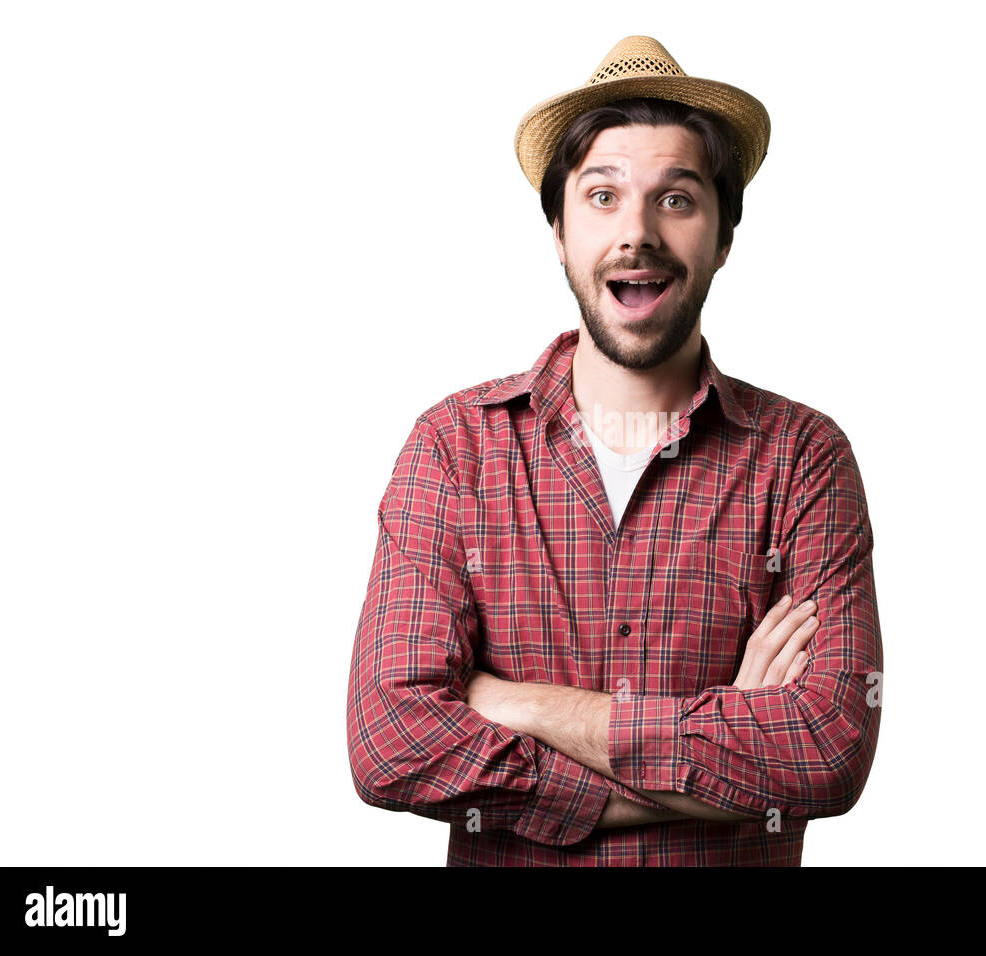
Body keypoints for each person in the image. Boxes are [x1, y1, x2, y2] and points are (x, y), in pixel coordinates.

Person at [346, 35, 883, 866]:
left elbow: (827, 747)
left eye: (677, 199)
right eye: (602, 197)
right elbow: (390, 744)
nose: (636, 233)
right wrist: (717, 756)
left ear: (724, 237)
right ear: (558, 233)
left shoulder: (803, 459)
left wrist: (521, 705)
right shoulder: (455, 447)